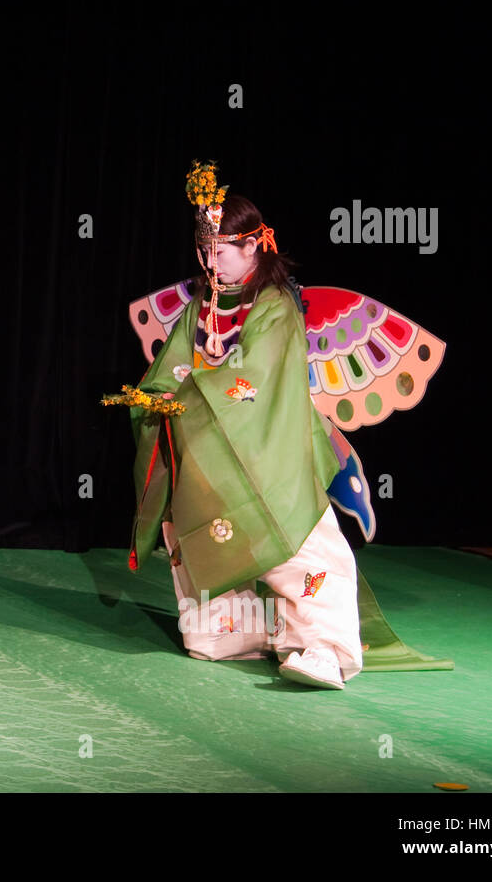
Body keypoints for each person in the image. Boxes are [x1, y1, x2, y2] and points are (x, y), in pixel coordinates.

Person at [127, 162, 362, 689]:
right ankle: (259, 634)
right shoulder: (199, 311)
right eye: (205, 252)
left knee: (307, 550)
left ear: (254, 245)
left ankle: (322, 648)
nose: (212, 264)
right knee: (210, 635)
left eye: (222, 251)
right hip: (211, 456)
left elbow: (253, 384)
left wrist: (192, 393)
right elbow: (167, 377)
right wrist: (156, 404)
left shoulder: (277, 306)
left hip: (271, 454)